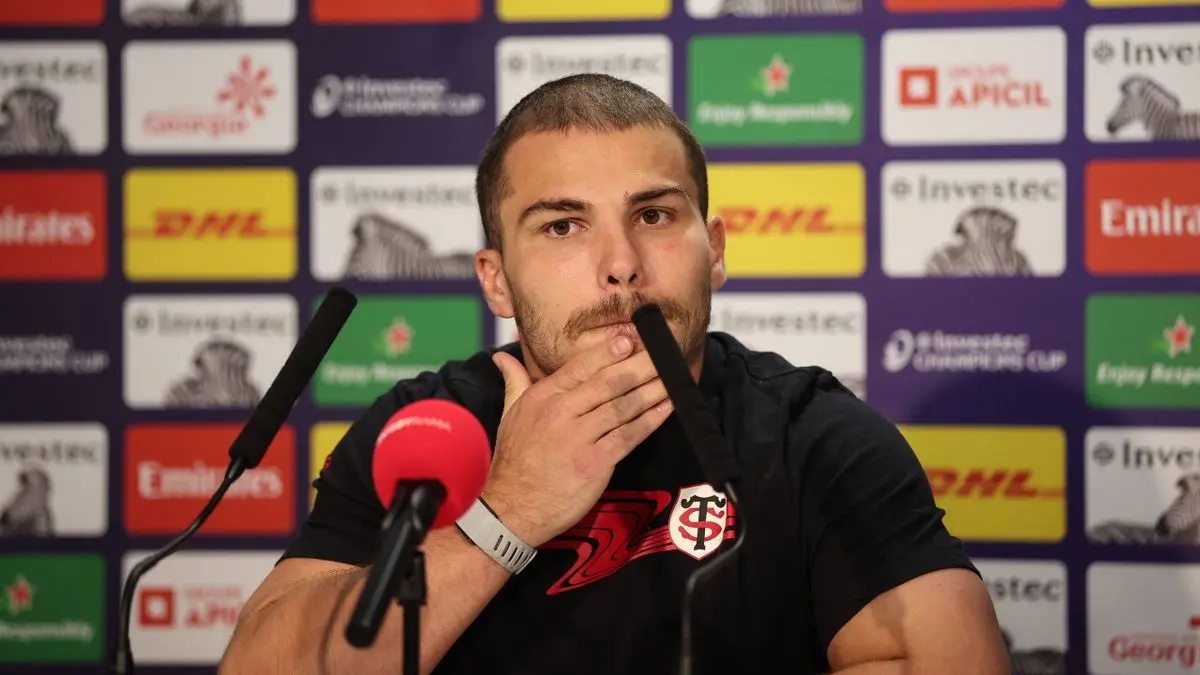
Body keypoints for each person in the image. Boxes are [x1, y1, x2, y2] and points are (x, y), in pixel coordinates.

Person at [218, 73, 1010, 675]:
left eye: (654, 216)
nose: (621, 265)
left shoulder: (814, 433)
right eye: (564, 226)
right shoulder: (425, 431)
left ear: (716, 251)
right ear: (496, 280)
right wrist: (507, 514)